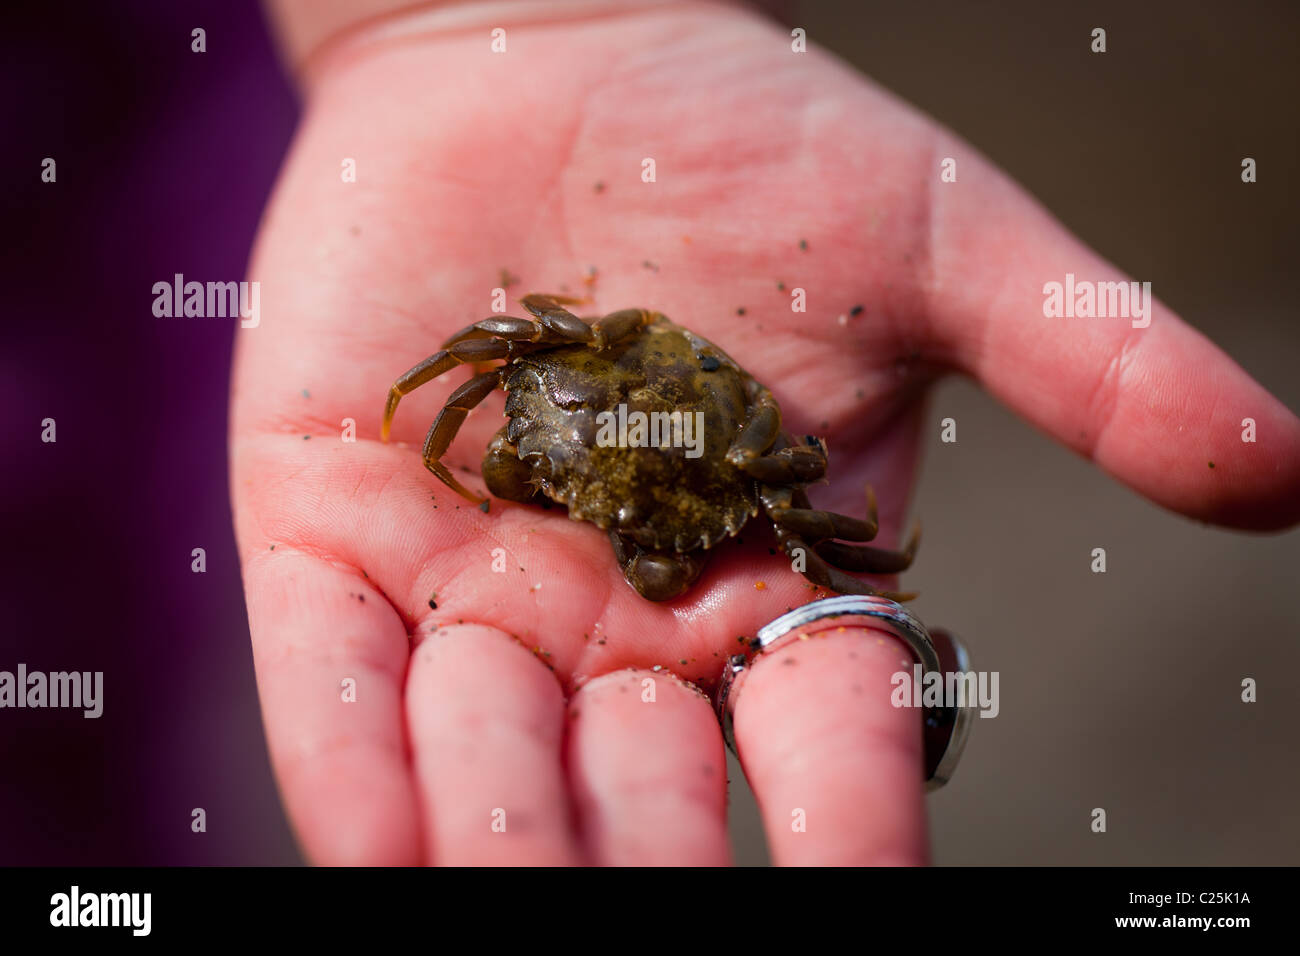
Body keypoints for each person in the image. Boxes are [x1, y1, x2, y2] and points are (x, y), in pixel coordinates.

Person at [231, 0, 1300, 864]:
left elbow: (757, 519)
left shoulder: (736, 468)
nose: (577, 510)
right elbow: (495, 393)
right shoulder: (542, 363)